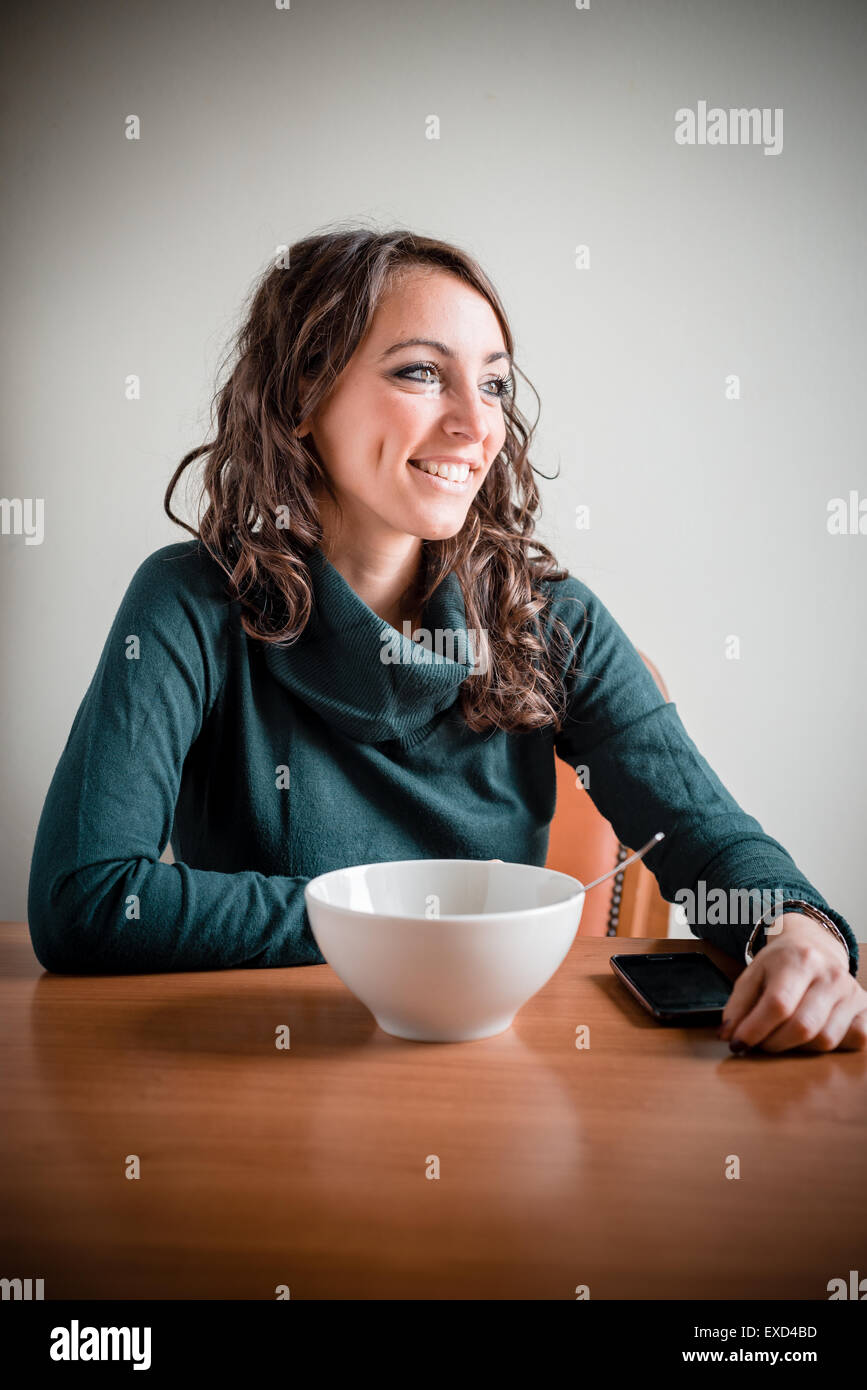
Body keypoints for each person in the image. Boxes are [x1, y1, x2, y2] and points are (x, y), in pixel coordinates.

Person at [27, 226, 866, 1056]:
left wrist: (802, 936)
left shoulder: (555, 621)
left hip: (493, 1077)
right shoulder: (187, 602)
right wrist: (428, 924)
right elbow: (89, 901)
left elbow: (709, 841)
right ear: (301, 397)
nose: (475, 425)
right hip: (265, 1071)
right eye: (422, 373)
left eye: (494, 385)